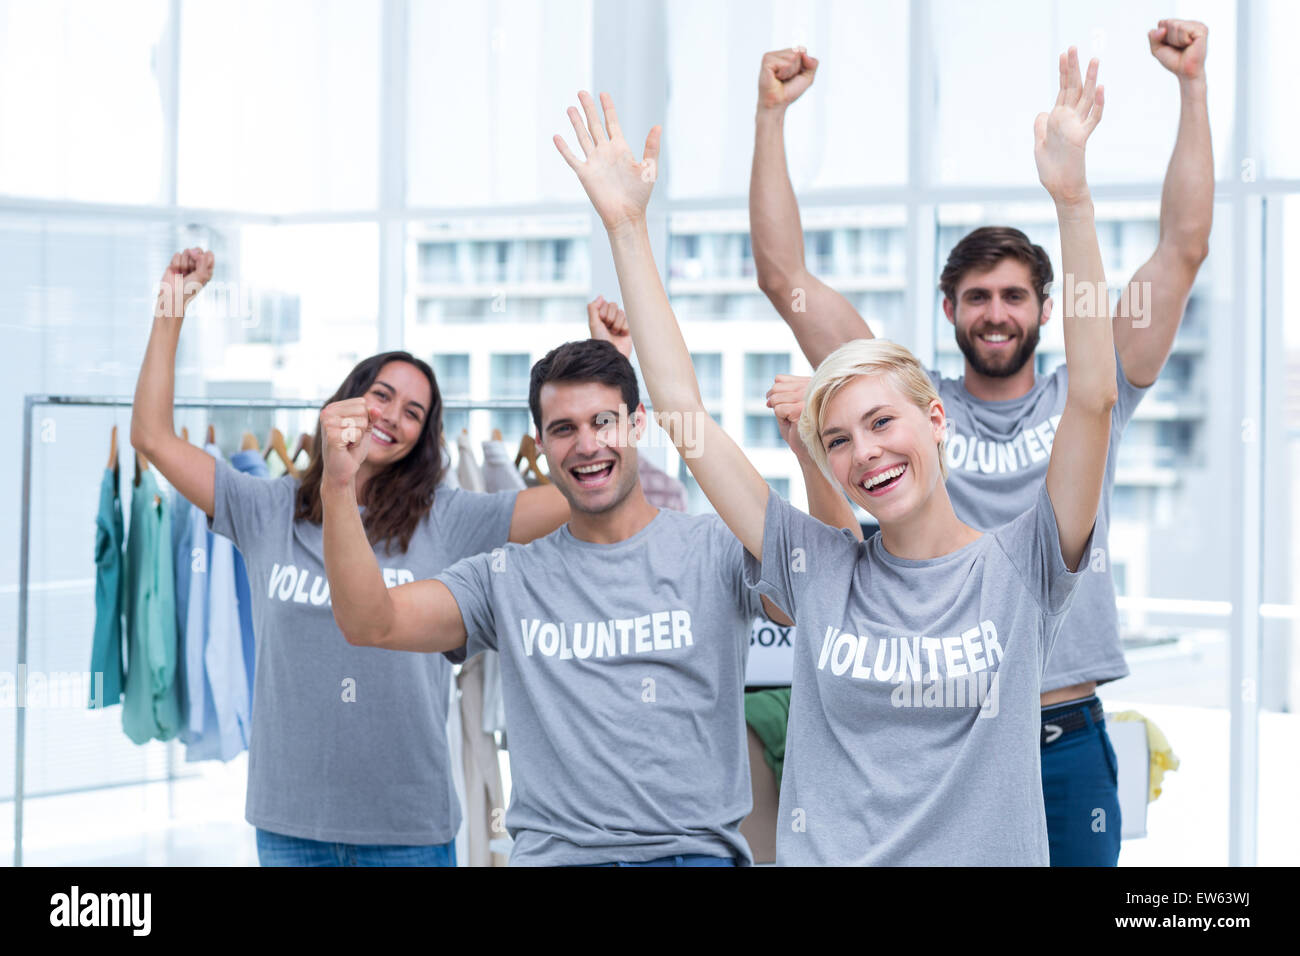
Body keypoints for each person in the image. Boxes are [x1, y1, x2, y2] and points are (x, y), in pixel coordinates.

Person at [554, 46, 1113, 864]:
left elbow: (1093, 398)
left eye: (883, 423)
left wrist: (1073, 199)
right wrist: (627, 228)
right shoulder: (814, 563)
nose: (865, 455)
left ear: (934, 420)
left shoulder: (1023, 563)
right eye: (839, 440)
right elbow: (685, 416)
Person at [748, 19, 1213, 865]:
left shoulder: (1087, 398)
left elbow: (1182, 251)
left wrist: (1191, 88)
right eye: (974, 296)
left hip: (1061, 728)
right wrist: (770, 115)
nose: (995, 312)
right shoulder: (900, 416)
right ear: (948, 309)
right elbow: (787, 281)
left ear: (1044, 305)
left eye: (1012, 294)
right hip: (931, 737)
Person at [130, 250, 572, 866]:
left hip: (408, 830)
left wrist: (612, 374)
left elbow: (576, 498)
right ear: (349, 398)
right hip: (291, 826)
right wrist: (172, 307)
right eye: (382, 395)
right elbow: (151, 436)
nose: (392, 416)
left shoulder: (448, 517)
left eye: (413, 412)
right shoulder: (267, 509)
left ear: (424, 437)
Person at [319, 303, 797, 866]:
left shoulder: (715, 548)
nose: (587, 445)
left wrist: (811, 454)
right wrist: (338, 484)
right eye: (564, 429)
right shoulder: (505, 577)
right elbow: (368, 621)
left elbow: (809, 600)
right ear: (539, 445)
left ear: (637, 423)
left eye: (604, 422)